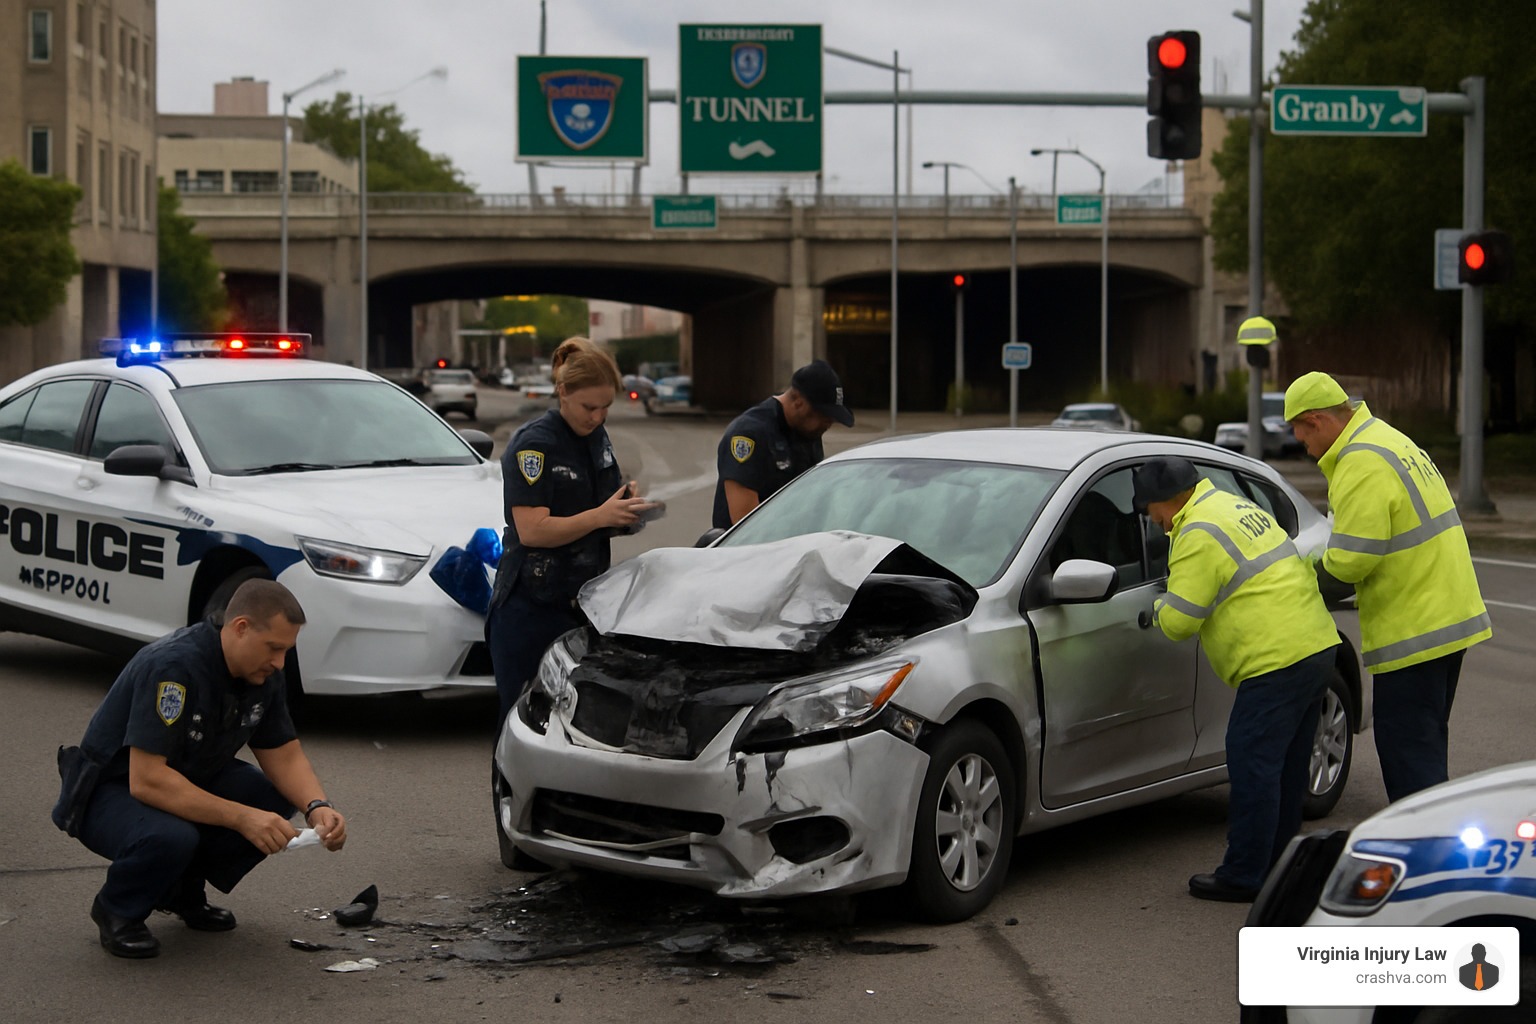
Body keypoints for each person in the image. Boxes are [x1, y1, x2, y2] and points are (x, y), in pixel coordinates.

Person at [50, 579, 347, 959]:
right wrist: (242, 818)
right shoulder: (174, 667)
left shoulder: (262, 673)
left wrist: (317, 806)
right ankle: (117, 909)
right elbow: (147, 781)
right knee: (173, 836)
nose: (279, 662)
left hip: (186, 777)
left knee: (270, 797)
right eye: (274, 648)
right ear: (241, 628)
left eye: (286, 650)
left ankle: (179, 889)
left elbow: (283, 753)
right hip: (110, 791)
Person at [1133, 456, 1340, 902]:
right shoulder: (1234, 506)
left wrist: (1158, 607)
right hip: (1316, 645)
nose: (1158, 525)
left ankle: (1243, 874)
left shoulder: (1196, 532)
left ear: (1166, 500)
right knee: (1284, 768)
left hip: (1275, 660)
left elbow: (1182, 621)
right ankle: (1282, 867)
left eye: (1155, 514)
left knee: (1252, 766)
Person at [1284, 372, 1491, 802]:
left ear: (1318, 420)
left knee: (1409, 756)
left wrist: (1300, 583)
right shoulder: (1388, 438)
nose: (1300, 443)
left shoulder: (1359, 462)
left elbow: (1352, 560)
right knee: (1426, 745)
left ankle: (1422, 856)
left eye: (1299, 431)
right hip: (1446, 616)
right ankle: (1438, 841)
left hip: (1414, 627)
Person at [486, 337, 659, 723]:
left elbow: (597, 514)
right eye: (588, 407)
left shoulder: (596, 439)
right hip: (529, 609)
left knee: (575, 726)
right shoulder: (535, 445)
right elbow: (532, 531)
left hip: (582, 605)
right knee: (522, 721)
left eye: (606, 408)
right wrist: (600, 516)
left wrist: (626, 511)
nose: (597, 417)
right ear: (562, 393)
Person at [711, 359, 854, 529]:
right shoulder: (749, 433)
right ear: (798, 401)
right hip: (747, 550)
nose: (829, 422)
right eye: (824, 415)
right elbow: (744, 521)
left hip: (792, 545)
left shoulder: (809, 432)